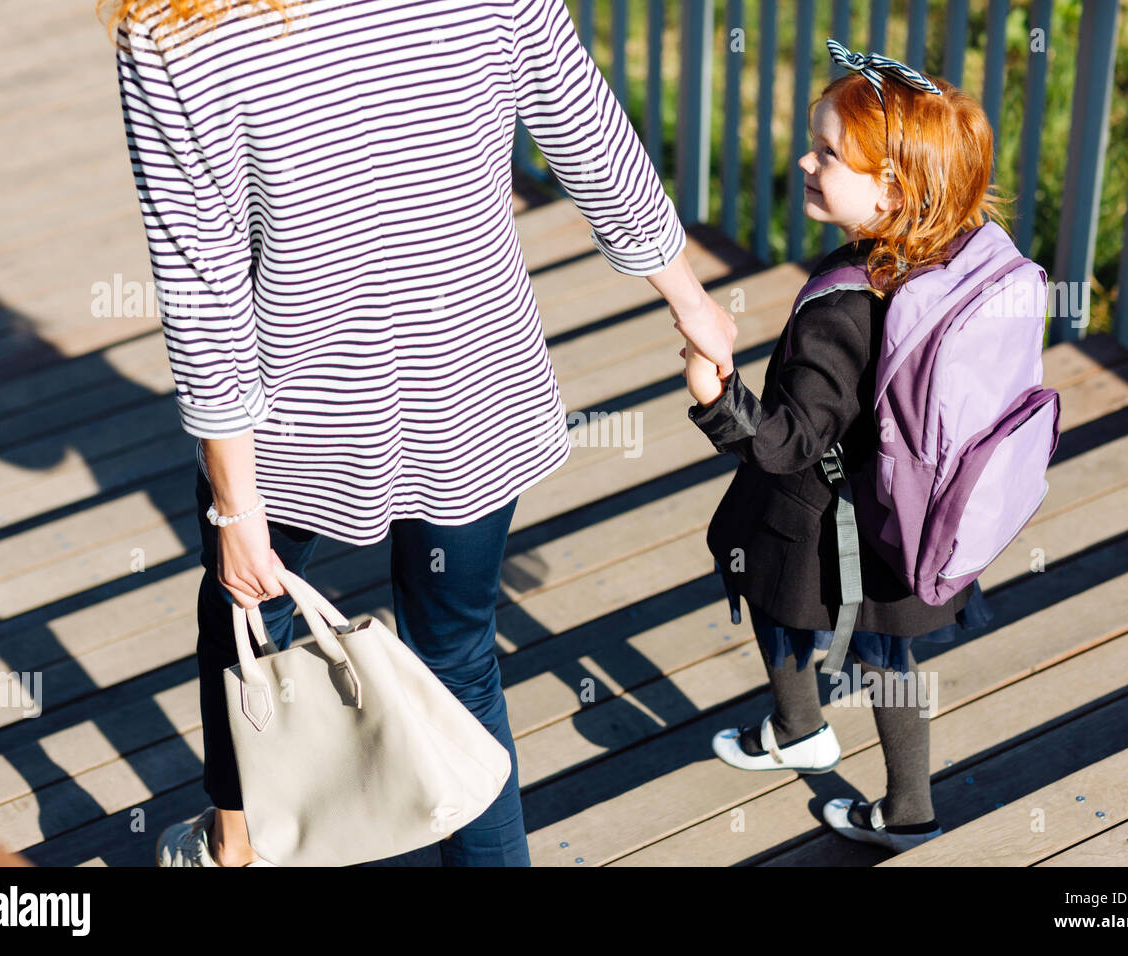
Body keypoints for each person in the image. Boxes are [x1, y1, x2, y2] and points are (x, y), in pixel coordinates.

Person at [103, 0, 736, 866]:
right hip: (474, 386)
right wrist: (691, 299)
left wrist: (234, 507)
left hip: (296, 408)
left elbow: (201, 281)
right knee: (459, 663)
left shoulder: (178, 23)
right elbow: (583, 125)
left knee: (249, 625)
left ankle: (238, 843)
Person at [681, 40, 1001, 854]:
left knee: (770, 596)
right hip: (911, 508)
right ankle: (910, 808)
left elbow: (786, 444)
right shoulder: (954, 254)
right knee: (888, 652)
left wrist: (717, 397)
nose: (805, 160)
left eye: (828, 153)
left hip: (824, 517)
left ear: (892, 191)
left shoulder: (843, 309)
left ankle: (797, 729)